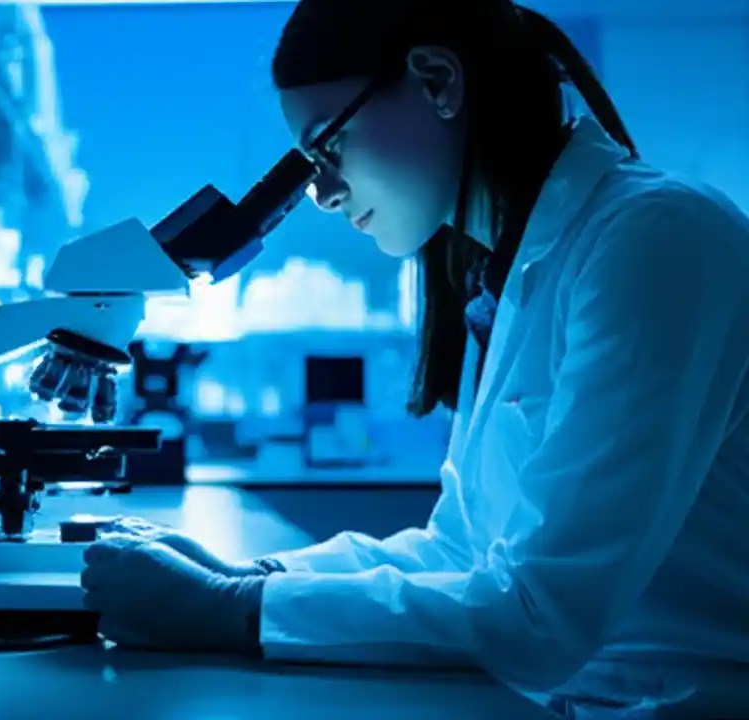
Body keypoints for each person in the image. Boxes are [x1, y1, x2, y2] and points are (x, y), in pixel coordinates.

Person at [79, 0, 749, 716]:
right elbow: (457, 554)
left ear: (438, 82)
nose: (327, 195)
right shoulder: (513, 276)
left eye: (328, 148)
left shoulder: (653, 239)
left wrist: (229, 607)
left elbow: (540, 618)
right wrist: (245, 573)